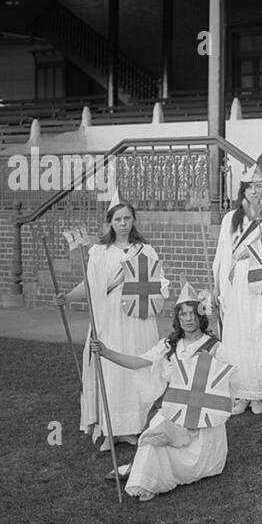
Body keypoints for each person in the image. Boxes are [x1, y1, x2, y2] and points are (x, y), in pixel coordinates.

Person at [91, 283, 235, 502]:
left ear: (200, 316)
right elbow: (138, 362)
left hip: (205, 426)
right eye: (183, 314)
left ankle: (141, 470)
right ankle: (143, 480)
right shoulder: (168, 345)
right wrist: (105, 352)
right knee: (152, 438)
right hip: (174, 414)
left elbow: (227, 385)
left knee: (178, 452)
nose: (188, 319)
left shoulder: (216, 347)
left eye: (192, 313)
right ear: (178, 318)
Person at [55, 192, 168, 451]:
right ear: (110, 222)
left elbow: (157, 282)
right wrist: (68, 297)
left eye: (127, 218)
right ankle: (109, 430)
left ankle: (132, 428)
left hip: (138, 318)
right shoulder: (99, 251)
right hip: (111, 319)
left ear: (133, 221)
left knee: (135, 370)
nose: (123, 223)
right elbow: (91, 284)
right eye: (118, 219)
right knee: (112, 370)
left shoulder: (146, 250)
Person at [212, 160, 262, 416]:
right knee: (239, 337)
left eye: (258, 186)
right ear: (243, 191)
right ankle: (242, 393)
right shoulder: (230, 219)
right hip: (237, 287)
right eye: (249, 187)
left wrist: (250, 252)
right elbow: (222, 254)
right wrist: (217, 286)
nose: (254, 191)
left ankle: (260, 393)